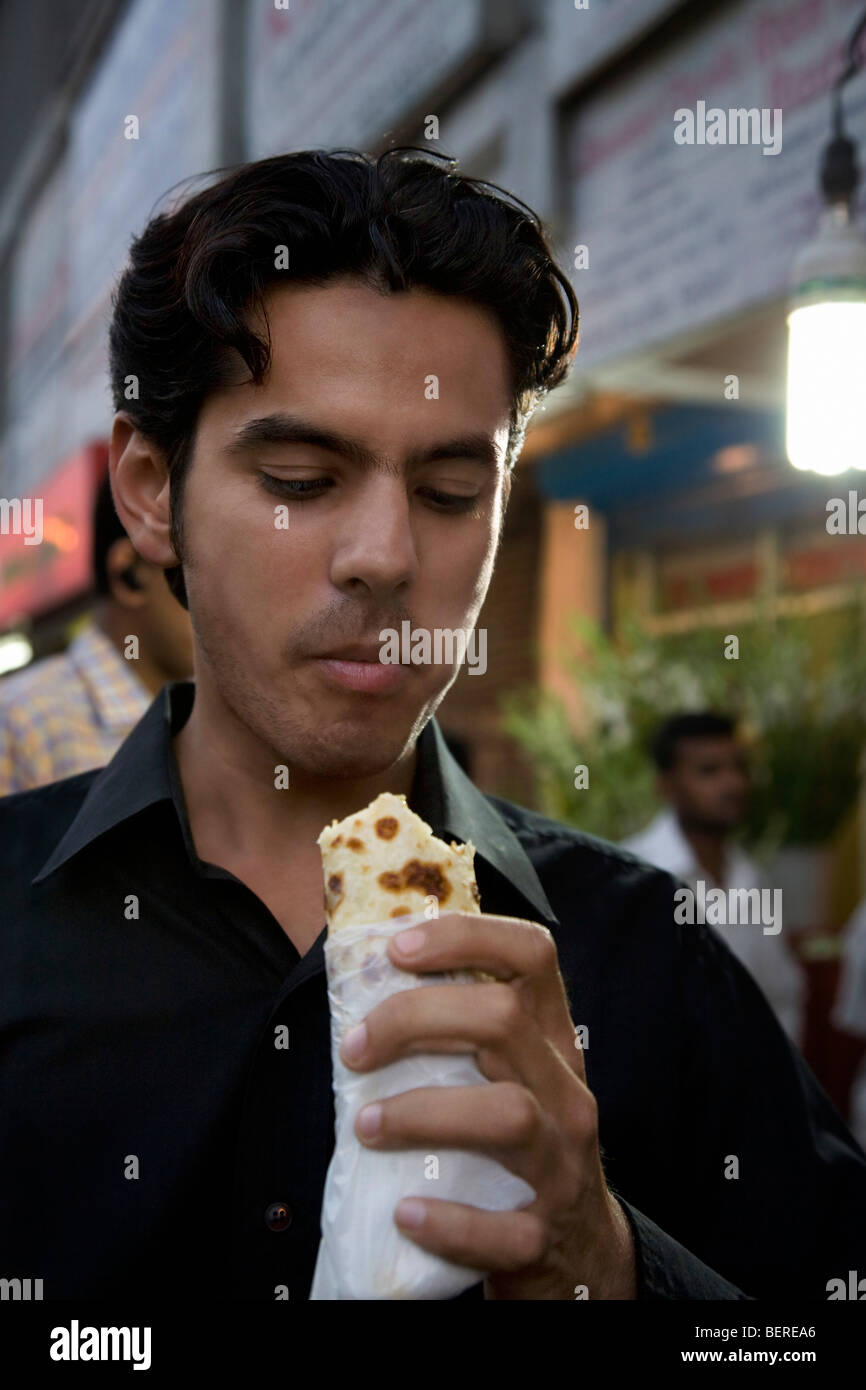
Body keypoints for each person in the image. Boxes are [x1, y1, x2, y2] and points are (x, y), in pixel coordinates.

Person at [0, 148, 863, 1303]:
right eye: (302, 477)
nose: (385, 557)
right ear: (151, 489)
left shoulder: (648, 957)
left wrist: (608, 1265)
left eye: (452, 493)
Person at [0, 473, 193, 793]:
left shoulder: (218, 718)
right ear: (129, 573)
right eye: (195, 571)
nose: (226, 603)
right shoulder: (18, 724)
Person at [622, 712, 805, 1046]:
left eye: (739, 768)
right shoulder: (631, 876)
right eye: (710, 771)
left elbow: (782, 996)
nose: (733, 784)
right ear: (665, 786)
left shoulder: (753, 878)